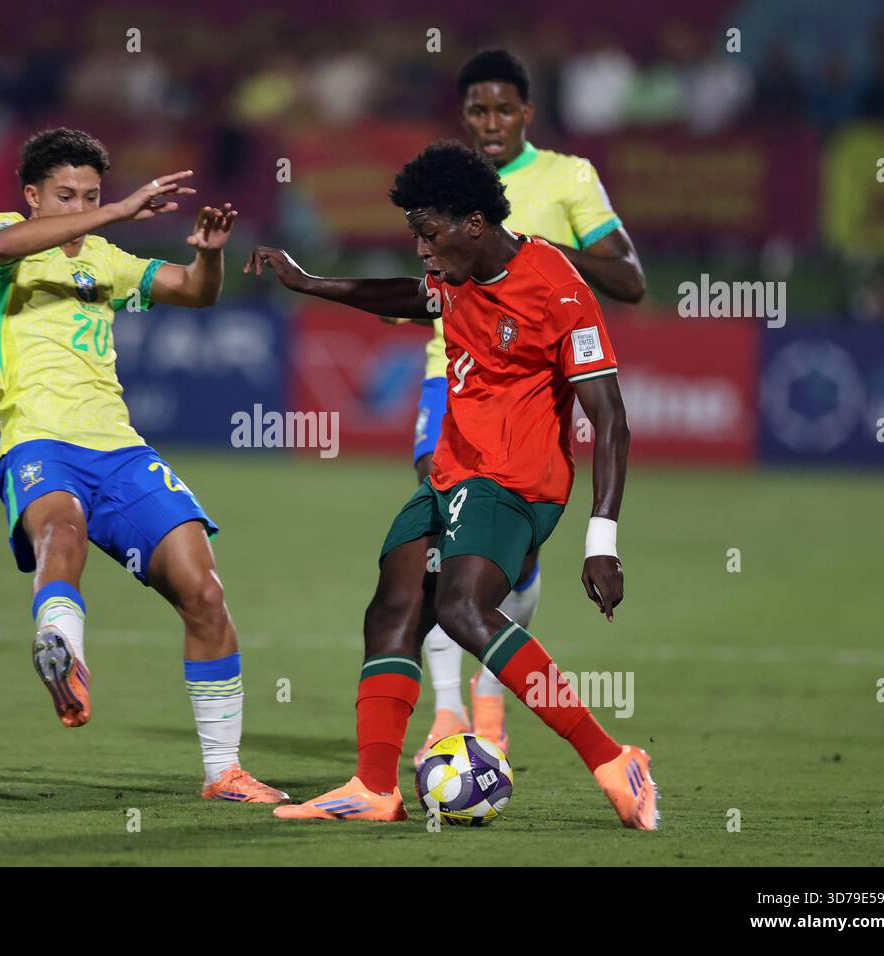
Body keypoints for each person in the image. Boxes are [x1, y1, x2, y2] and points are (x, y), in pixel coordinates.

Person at [246, 141, 657, 828]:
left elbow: (609, 419)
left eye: (428, 231)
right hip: (452, 473)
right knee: (392, 609)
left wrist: (602, 541)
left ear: (473, 222)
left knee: (464, 611)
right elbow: (413, 296)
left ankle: (615, 759)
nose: (421, 248)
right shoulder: (455, 275)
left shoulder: (556, 287)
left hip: (517, 485)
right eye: (415, 232)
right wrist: (311, 282)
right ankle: (375, 788)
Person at [0, 127, 286, 803]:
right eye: (64, 195)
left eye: (91, 194)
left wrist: (208, 258)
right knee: (62, 533)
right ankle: (64, 652)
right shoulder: (2, 240)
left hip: (121, 451)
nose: (79, 205)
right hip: (39, 442)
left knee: (204, 593)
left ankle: (223, 772)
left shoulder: (108, 261)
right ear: (32, 196)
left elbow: (194, 293)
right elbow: (2, 246)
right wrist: (117, 211)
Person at [402, 49, 646, 763]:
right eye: (478, 110)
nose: (492, 122)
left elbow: (629, 278)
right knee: (441, 536)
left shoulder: (567, 178)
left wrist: (550, 252)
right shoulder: (442, 184)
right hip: (446, 377)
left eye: (504, 109)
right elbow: (429, 283)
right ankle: (448, 716)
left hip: (525, 392)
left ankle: (490, 693)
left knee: (513, 554)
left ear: (527, 113)